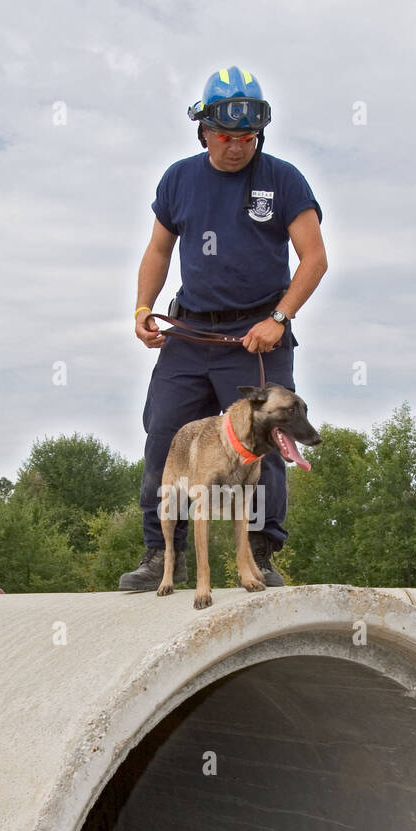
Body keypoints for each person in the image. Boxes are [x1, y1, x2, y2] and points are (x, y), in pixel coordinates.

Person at [119, 65, 327, 592]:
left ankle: (259, 555)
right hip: (190, 336)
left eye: (248, 137)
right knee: (165, 437)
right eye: (227, 136)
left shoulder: (283, 179)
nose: (237, 147)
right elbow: (159, 249)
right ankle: (160, 554)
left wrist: (279, 318)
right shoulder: (179, 179)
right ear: (204, 130)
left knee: (268, 440)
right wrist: (144, 308)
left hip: (258, 335)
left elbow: (314, 257)